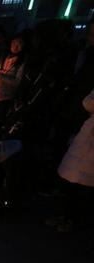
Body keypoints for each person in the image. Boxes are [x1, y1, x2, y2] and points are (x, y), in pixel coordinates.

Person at [51, 87, 94, 232]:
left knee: (85, 183)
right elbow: (87, 102)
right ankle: (64, 214)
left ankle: (72, 219)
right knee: (72, 179)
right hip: (87, 135)